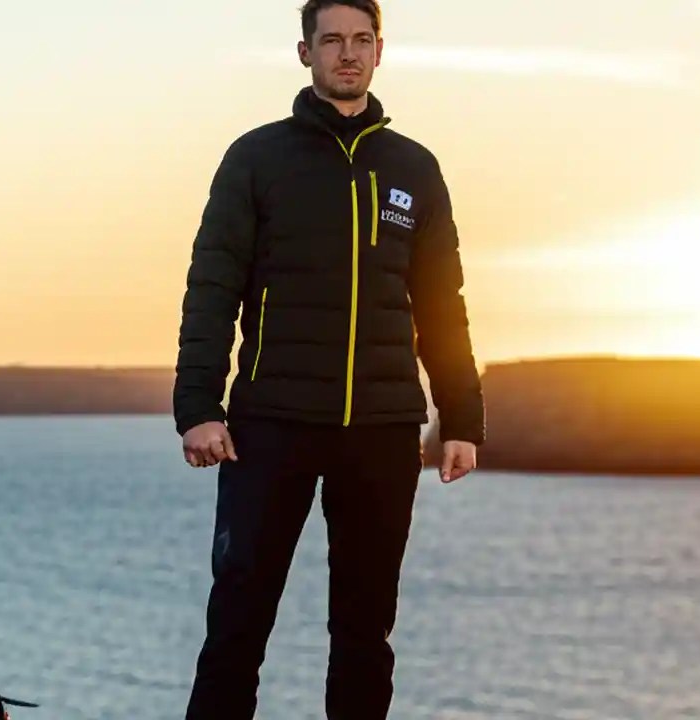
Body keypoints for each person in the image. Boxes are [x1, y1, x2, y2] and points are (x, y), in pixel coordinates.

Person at [171, 1, 486, 717]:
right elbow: (212, 285)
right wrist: (198, 408)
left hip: (381, 430)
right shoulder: (256, 158)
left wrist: (461, 418)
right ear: (305, 52)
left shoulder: (414, 168)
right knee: (238, 623)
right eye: (332, 40)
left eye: (361, 40)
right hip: (270, 425)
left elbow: (443, 305)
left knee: (365, 632)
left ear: (380, 52)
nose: (348, 53)